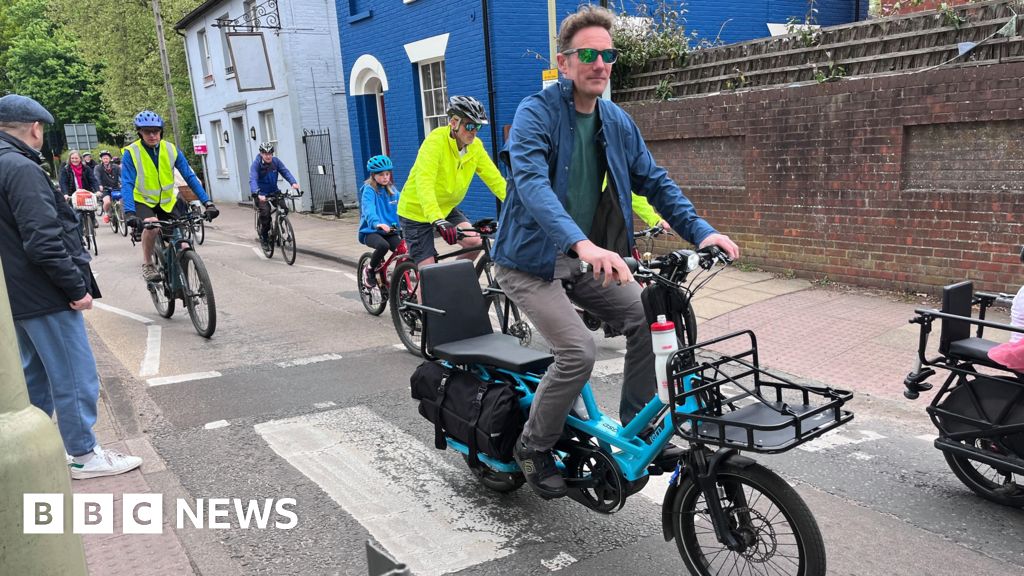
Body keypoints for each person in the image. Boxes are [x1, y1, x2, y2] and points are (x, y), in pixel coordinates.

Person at [492, 5, 740, 499]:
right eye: (588, 54)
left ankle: (635, 427)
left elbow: (657, 182)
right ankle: (533, 444)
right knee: (577, 350)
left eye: (608, 55)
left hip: (583, 259)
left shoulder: (616, 121)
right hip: (529, 262)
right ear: (564, 62)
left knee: (651, 317)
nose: (600, 64)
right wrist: (584, 243)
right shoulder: (535, 113)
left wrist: (703, 232)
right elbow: (533, 186)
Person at [0, 94, 143, 479]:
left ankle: (33, 450)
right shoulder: (20, 167)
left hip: (16, 292)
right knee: (75, 374)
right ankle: (83, 453)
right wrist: (74, 288)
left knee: (36, 375)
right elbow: (43, 240)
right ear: (34, 128)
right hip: (44, 292)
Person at [397, 95, 505, 266]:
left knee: (474, 243)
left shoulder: (475, 147)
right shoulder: (435, 142)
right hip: (416, 212)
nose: (474, 131)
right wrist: (437, 219)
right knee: (429, 273)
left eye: (477, 126)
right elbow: (424, 183)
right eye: (469, 125)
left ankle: (454, 281)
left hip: (445, 209)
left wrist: (518, 205)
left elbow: (495, 180)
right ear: (454, 123)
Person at [122, 110, 218, 281]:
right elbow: (128, 183)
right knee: (152, 226)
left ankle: (181, 284)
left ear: (161, 131)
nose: (152, 135)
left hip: (167, 200)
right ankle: (148, 263)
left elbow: (189, 176)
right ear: (140, 132)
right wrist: (129, 212)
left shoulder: (171, 149)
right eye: (147, 131)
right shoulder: (132, 152)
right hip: (143, 200)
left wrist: (207, 202)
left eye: (155, 131)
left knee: (181, 242)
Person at [358, 154, 402, 292]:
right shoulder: (369, 191)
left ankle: (400, 277)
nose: (385, 177)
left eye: (387, 174)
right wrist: (377, 223)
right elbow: (368, 209)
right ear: (373, 175)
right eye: (381, 174)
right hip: (371, 231)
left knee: (403, 249)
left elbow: (405, 204)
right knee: (383, 245)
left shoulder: (393, 191)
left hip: (390, 230)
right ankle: (369, 271)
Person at [250, 141, 299, 246]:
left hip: (274, 191)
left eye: (270, 154)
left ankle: (278, 227)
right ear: (261, 154)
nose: (268, 156)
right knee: (266, 214)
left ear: (272, 153)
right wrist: (257, 193)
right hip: (261, 193)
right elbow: (253, 179)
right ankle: (264, 238)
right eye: (265, 154)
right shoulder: (256, 165)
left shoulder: (276, 162)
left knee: (284, 208)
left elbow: (285, 172)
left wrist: (293, 182)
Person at [93, 150, 121, 222]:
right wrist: (99, 185)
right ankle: (106, 213)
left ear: (110, 159)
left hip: (116, 187)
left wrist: (124, 183)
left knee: (122, 201)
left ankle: (122, 213)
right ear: (101, 159)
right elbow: (97, 177)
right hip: (105, 189)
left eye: (107, 158)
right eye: (103, 158)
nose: (105, 160)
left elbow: (122, 176)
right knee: (107, 202)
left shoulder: (116, 167)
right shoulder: (98, 168)